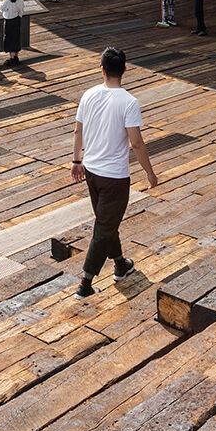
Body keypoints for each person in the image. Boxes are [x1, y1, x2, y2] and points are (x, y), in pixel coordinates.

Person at [71, 45, 159, 297]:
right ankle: (84, 284)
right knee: (104, 228)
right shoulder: (129, 102)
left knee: (107, 222)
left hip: (91, 172)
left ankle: (120, 264)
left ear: (102, 70)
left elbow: (78, 131)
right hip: (115, 177)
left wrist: (76, 161)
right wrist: (150, 173)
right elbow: (137, 142)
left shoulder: (88, 95)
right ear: (125, 70)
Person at [0, 0, 25, 67]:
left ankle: (12, 58)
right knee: (16, 37)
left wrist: (1, 1)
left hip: (9, 20)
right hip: (17, 19)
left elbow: (2, 8)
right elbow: (22, 8)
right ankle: (16, 56)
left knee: (9, 38)